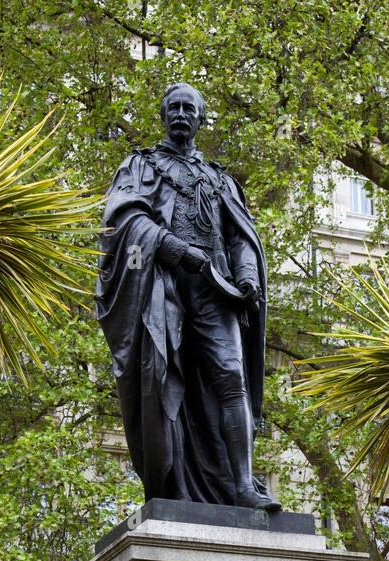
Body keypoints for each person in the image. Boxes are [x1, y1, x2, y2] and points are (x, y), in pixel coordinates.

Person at [96, 82, 280, 512]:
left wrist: (248, 275)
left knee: (231, 378)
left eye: (188, 109)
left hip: (217, 291)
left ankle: (242, 486)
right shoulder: (140, 166)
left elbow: (240, 237)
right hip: (163, 289)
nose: (180, 115)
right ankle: (171, 484)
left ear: (201, 119)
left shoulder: (220, 179)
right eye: (173, 108)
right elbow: (122, 221)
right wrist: (176, 249)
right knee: (163, 384)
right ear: (163, 116)